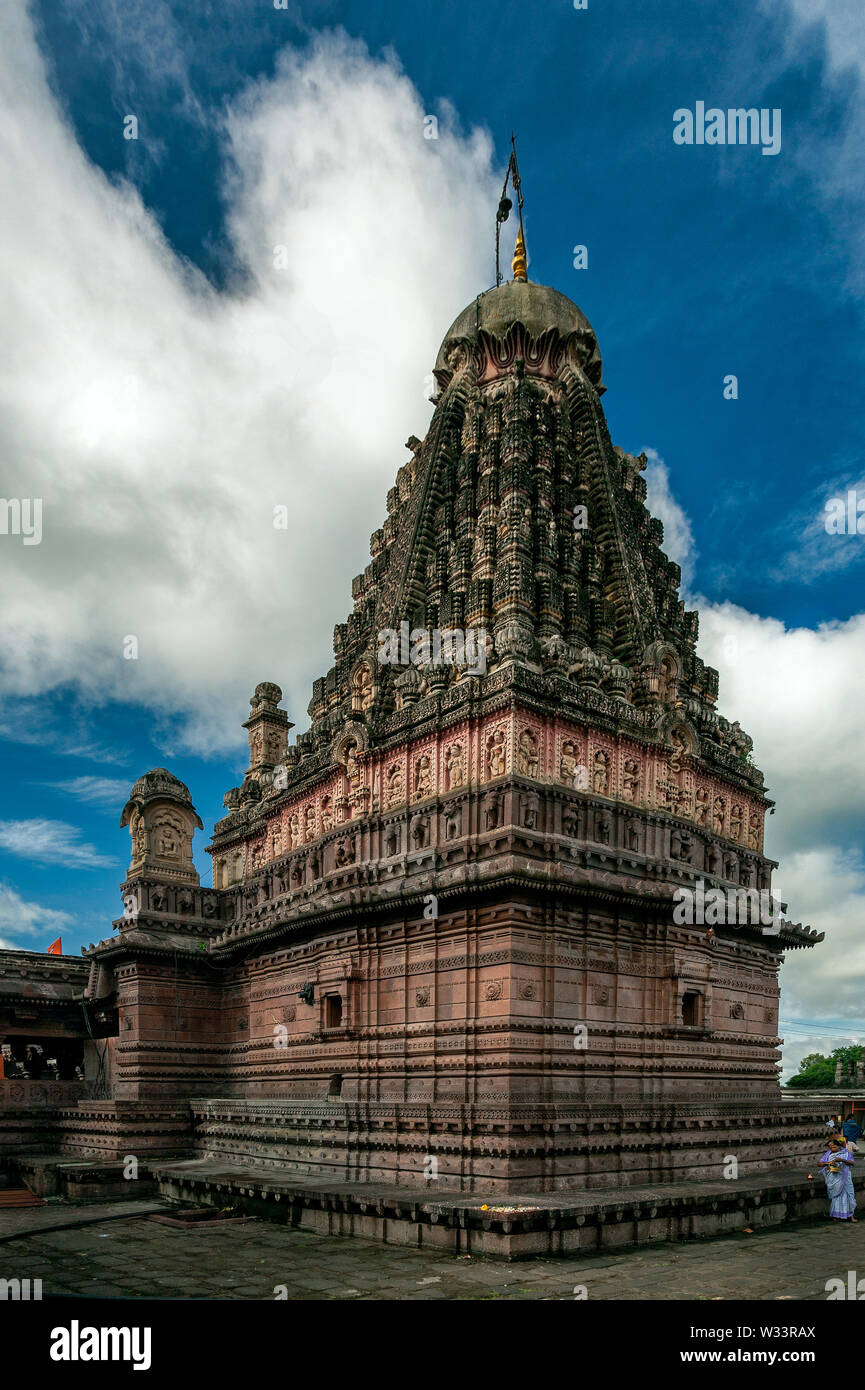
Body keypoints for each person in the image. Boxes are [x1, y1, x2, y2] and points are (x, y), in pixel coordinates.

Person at [818, 1137, 857, 1222]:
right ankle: (836, 1216)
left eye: (834, 1147)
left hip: (845, 1177)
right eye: (830, 1148)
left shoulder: (846, 1153)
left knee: (849, 1196)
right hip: (834, 1178)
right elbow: (819, 1163)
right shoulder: (828, 1154)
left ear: (839, 1146)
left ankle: (851, 1216)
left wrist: (841, 1160)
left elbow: (852, 1163)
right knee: (836, 1197)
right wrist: (827, 1163)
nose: (832, 1149)